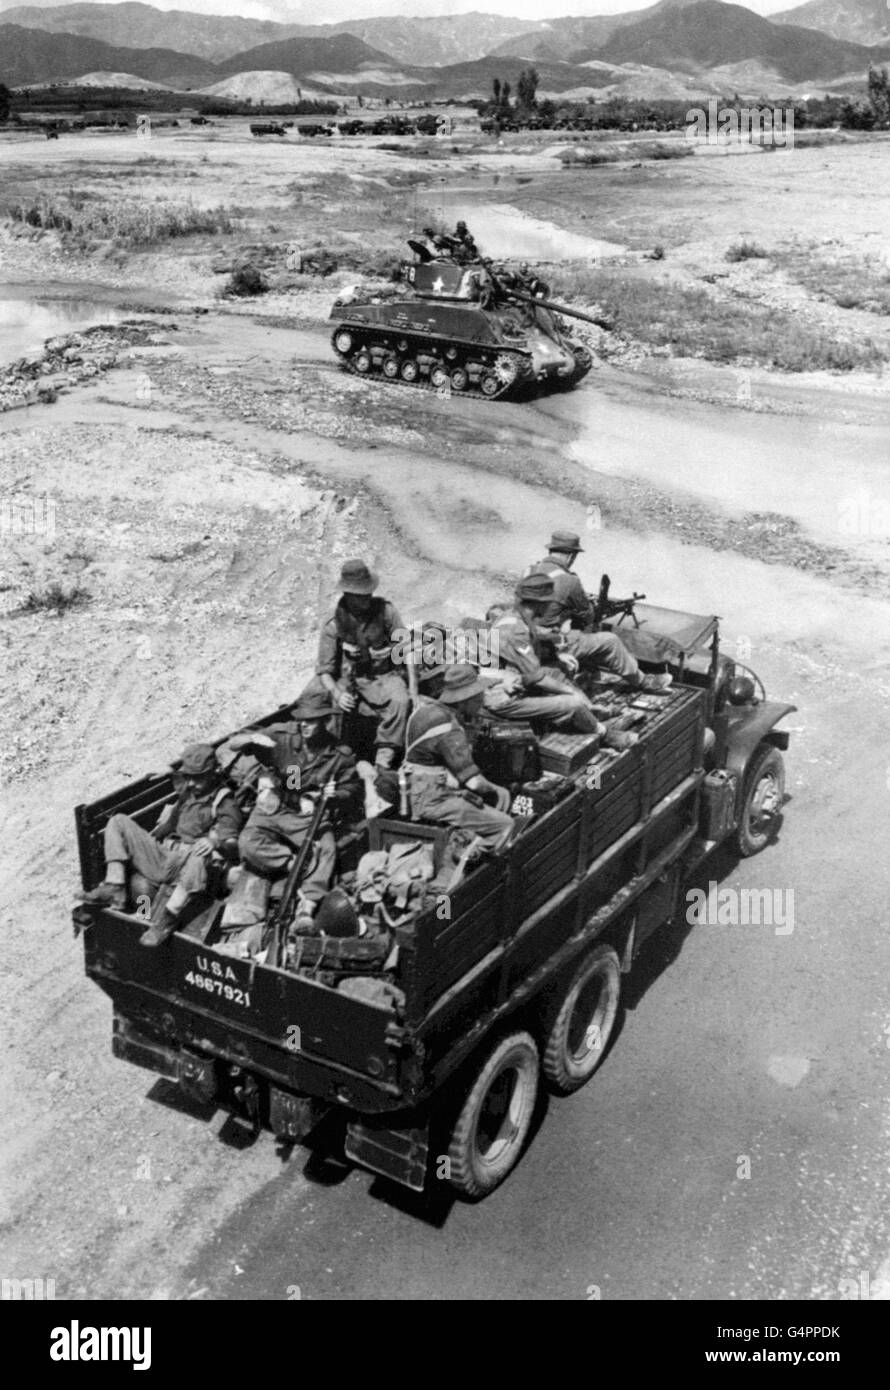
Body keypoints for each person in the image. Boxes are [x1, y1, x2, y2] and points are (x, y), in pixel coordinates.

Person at [78, 743, 243, 948]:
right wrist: (171, 773)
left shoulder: (225, 802)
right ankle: (116, 887)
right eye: (188, 776)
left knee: (181, 865)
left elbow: (233, 844)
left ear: (213, 774)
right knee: (118, 823)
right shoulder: (189, 790)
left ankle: (167, 919)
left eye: (197, 777)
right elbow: (178, 780)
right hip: (167, 857)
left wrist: (214, 842)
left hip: (193, 871)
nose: (191, 783)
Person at [232, 690, 360, 935]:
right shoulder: (282, 735)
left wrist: (335, 794)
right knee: (247, 843)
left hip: (308, 815)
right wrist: (253, 739)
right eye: (302, 719)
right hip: (276, 806)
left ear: (325, 721)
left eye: (311, 720)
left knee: (327, 849)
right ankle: (296, 864)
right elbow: (234, 743)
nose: (304, 725)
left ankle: (307, 905)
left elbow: (352, 787)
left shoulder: (340, 755)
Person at [524, 529, 671, 694]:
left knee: (574, 632)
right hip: (546, 645)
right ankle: (645, 682)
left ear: (551, 550)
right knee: (609, 640)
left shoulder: (530, 570)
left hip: (524, 638)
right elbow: (588, 616)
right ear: (571, 556)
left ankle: (591, 672)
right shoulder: (569, 580)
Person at [402, 664, 514, 852]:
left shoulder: (424, 710)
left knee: (494, 800)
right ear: (464, 700)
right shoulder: (448, 727)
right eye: (478, 695)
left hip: (418, 791)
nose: (482, 698)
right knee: (505, 824)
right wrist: (495, 789)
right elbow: (474, 784)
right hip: (435, 800)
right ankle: (475, 866)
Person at [313, 559, 410, 770]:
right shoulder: (333, 624)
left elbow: (406, 644)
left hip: (384, 675)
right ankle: (336, 761)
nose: (367, 599)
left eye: (368, 593)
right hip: (348, 678)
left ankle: (385, 756)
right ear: (347, 595)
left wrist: (391, 651)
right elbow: (324, 670)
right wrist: (338, 693)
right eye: (360, 596)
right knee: (325, 706)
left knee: (401, 700)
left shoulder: (385, 611)